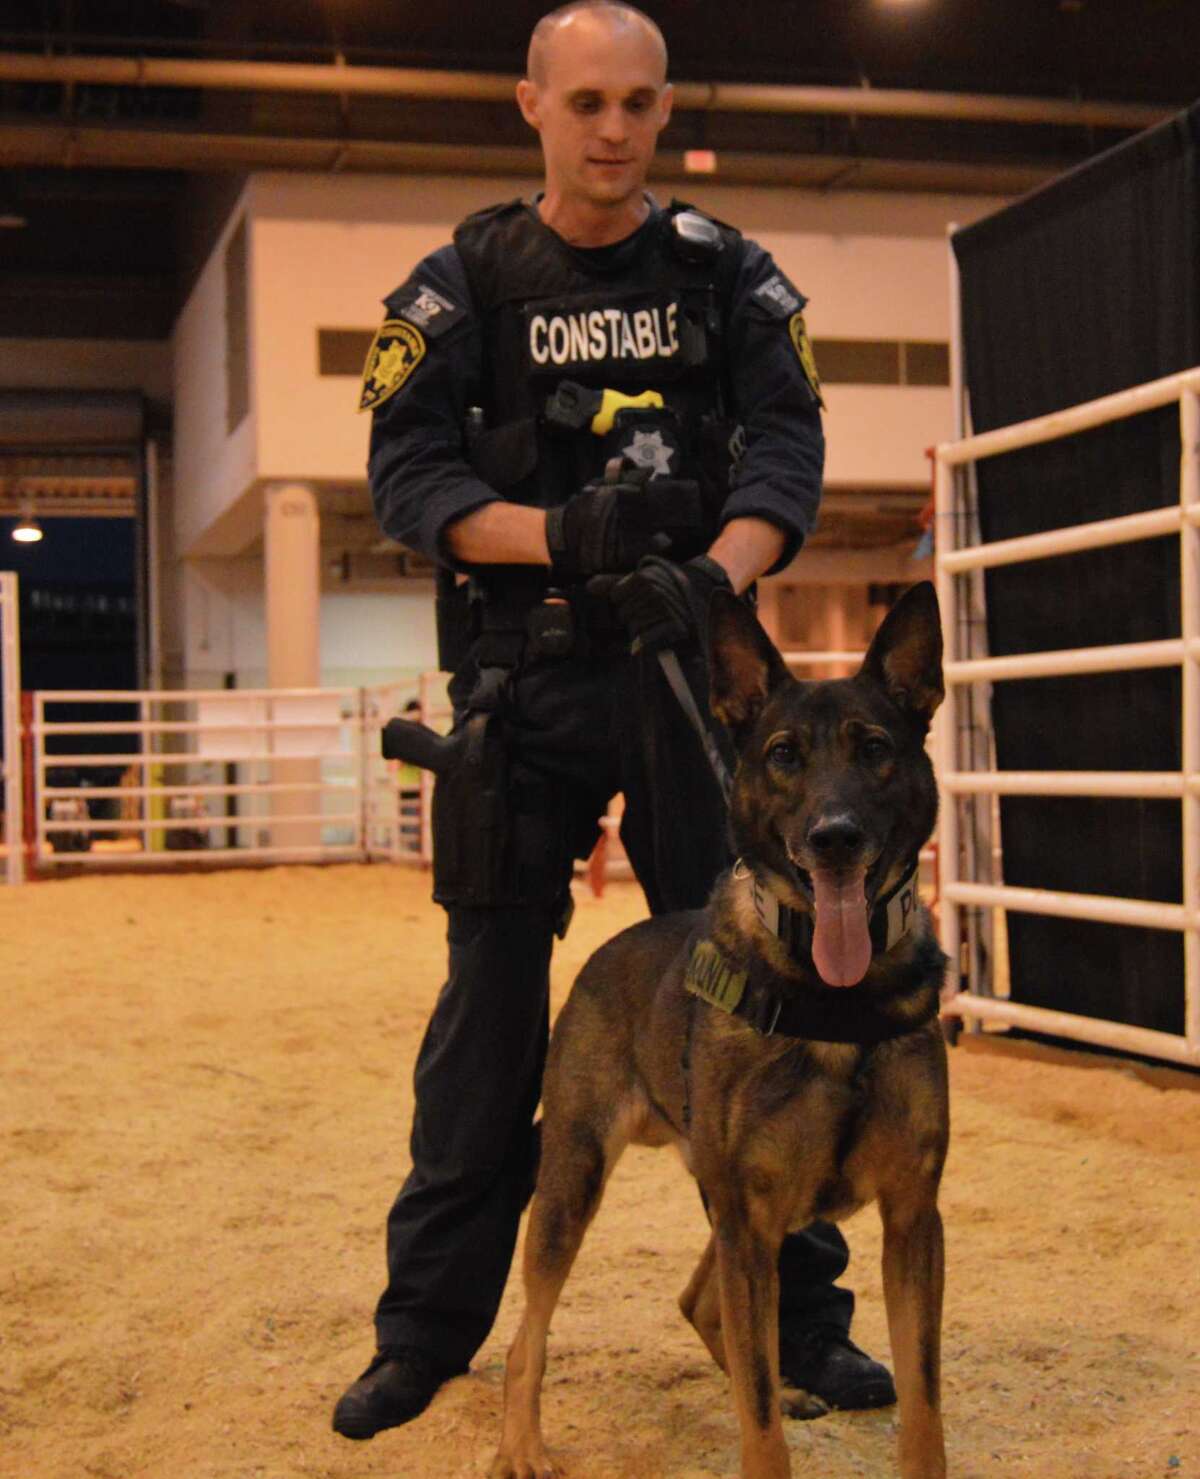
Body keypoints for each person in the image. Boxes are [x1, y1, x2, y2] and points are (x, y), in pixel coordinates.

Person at [333, 0, 896, 1441]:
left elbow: (789, 452)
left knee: (775, 996)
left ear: (663, 110)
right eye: (585, 100)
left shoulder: (726, 275)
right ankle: (428, 1332)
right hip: (525, 684)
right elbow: (409, 481)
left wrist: (716, 583)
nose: (614, 128)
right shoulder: (461, 280)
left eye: (639, 103)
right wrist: (561, 534)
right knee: (492, 1015)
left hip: (693, 679)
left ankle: (806, 1323)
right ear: (530, 102)